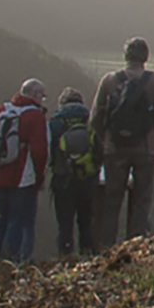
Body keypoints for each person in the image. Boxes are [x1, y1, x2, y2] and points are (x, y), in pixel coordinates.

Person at [90, 37, 154, 247]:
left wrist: (107, 139)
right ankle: (136, 247)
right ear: (146, 56)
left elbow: (95, 117)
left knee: (112, 201)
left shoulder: (109, 80)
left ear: (126, 55)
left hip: (115, 150)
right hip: (145, 150)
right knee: (141, 201)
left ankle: (107, 249)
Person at [0, 77, 48, 263]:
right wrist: (39, 176)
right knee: (16, 221)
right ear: (35, 94)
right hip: (21, 179)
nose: (43, 100)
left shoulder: (2, 110)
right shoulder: (34, 116)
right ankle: (8, 264)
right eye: (42, 96)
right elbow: (39, 151)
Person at [47, 87, 98, 257]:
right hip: (88, 178)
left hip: (63, 180)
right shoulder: (91, 121)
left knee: (65, 222)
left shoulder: (54, 123)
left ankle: (65, 256)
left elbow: (47, 151)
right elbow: (99, 149)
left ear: (61, 103)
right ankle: (88, 254)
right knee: (86, 220)